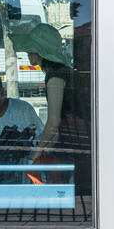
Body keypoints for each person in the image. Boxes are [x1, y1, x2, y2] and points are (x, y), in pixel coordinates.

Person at [11, 23, 89, 184]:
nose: (27, 52)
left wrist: (36, 153)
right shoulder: (64, 71)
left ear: (38, 51)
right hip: (80, 136)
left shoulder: (55, 78)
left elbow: (54, 122)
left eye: (29, 48)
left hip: (74, 140)